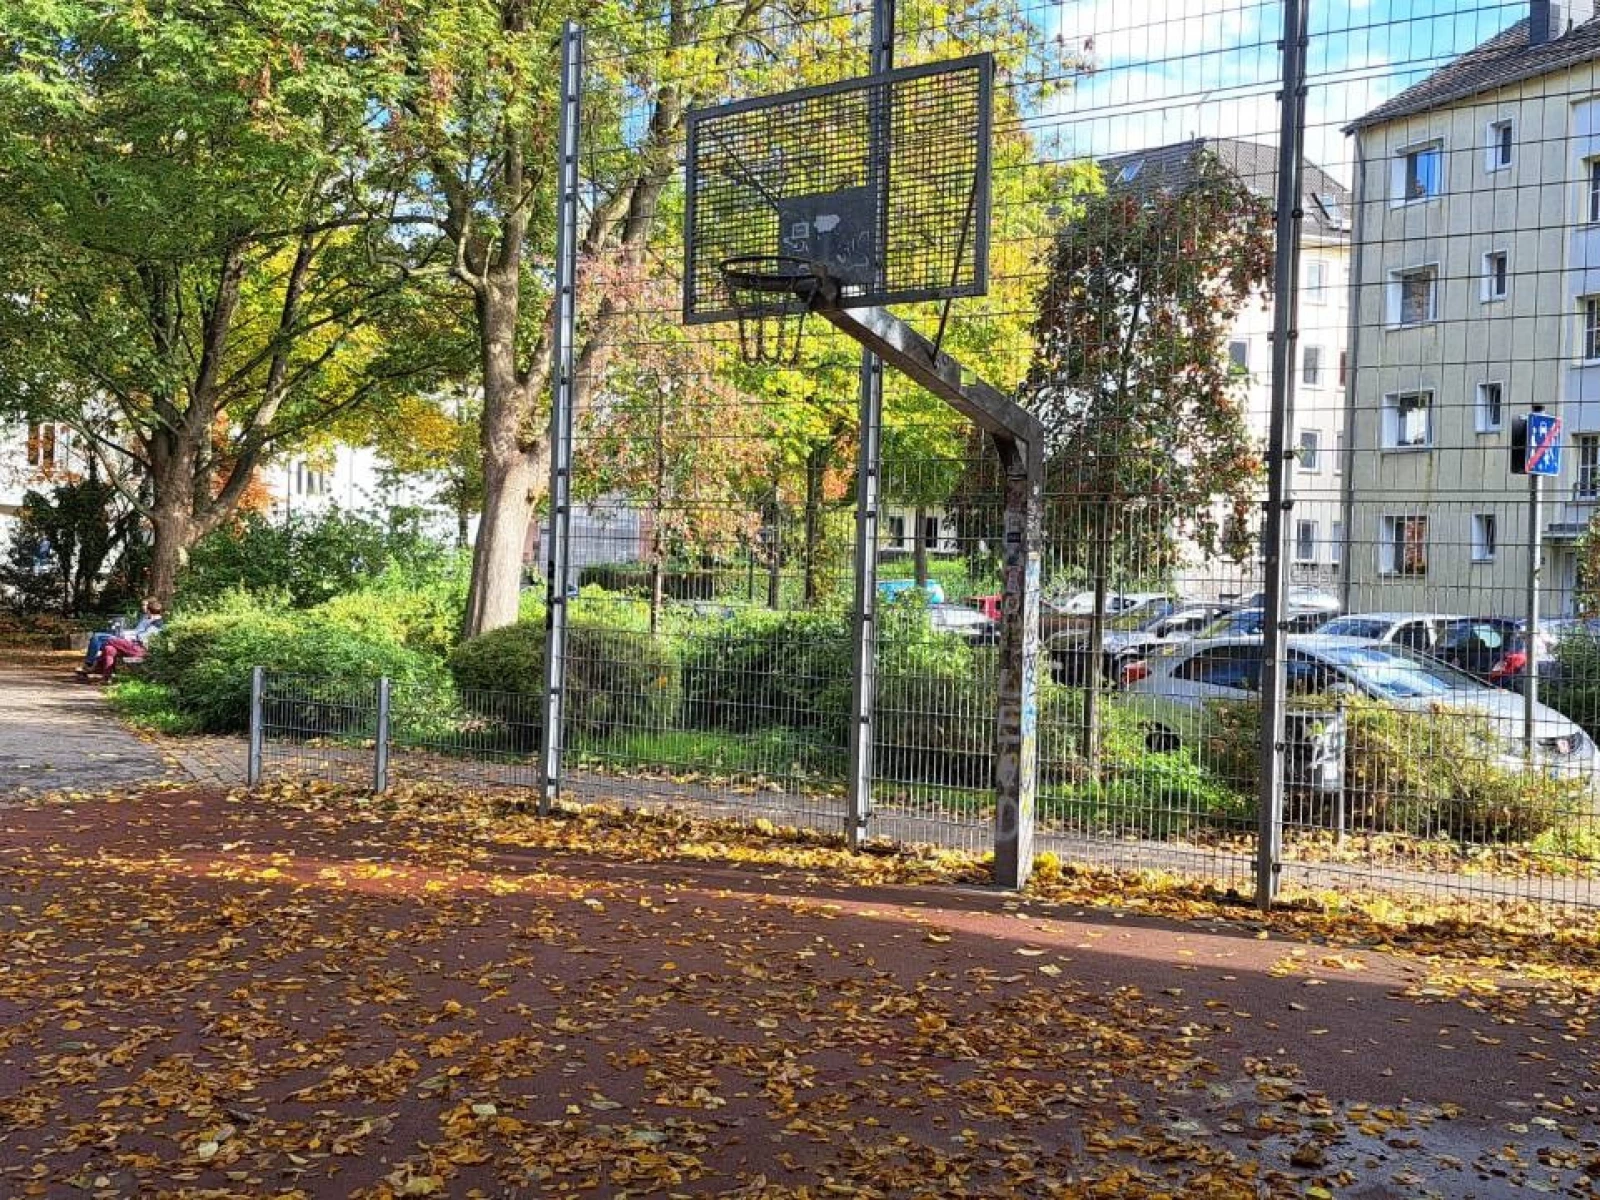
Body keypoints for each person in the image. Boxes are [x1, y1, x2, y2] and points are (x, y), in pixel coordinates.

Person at [75, 599, 165, 681]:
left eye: (145, 606)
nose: (143, 608)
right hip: (131, 643)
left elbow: (142, 637)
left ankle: (90, 665)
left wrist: (126, 635)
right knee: (109, 649)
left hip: (137, 647)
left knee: (99, 637)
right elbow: (138, 632)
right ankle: (106, 678)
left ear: (149, 610)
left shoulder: (157, 623)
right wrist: (126, 633)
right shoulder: (147, 619)